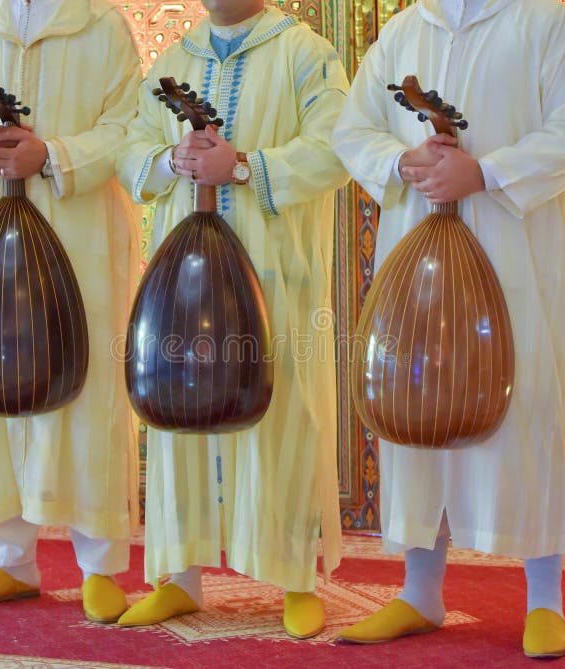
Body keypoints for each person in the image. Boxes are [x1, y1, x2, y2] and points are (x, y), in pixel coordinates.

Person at [332, 0, 565, 658]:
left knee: (530, 406)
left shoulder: (543, 22)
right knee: (418, 402)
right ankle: (419, 593)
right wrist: (405, 163)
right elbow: (354, 129)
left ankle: (544, 601)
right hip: (420, 252)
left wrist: (484, 172)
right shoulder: (405, 30)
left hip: (519, 251)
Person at [117, 0, 349, 639]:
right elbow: (130, 148)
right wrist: (174, 160)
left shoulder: (305, 52)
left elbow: (336, 146)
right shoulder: (176, 58)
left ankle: (297, 579)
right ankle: (178, 578)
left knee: (286, 415)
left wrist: (243, 166)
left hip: (275, 273)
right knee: (179, 410)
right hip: (186, 282)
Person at [0, 0, 142, 623]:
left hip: (80, 228)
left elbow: (129, 125)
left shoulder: (100, 22)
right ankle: (7, 562)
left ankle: (100, 567)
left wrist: (51, 155)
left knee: (89, 389)